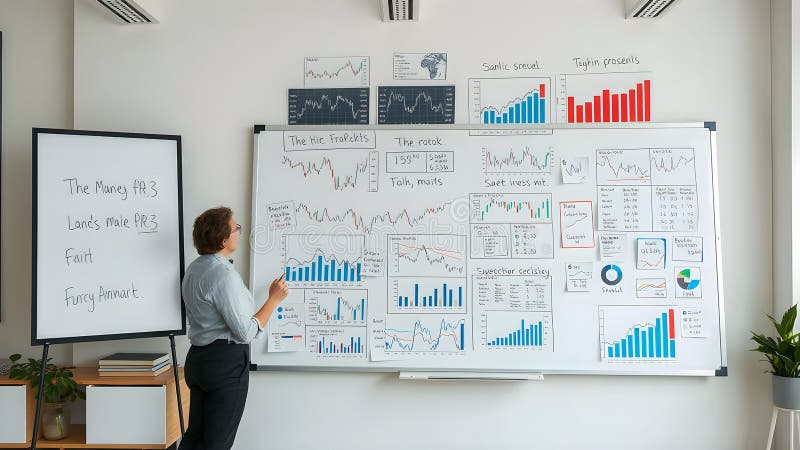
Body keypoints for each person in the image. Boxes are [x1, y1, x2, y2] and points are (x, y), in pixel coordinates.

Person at [179, 207, 288, 450]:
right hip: (224, 365)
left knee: (194, 439)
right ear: (223, 240)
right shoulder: (223, 276)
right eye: (235, 228)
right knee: (217, 444)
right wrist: (273, 299)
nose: (239, 231)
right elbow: (245, 332)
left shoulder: (194, 269)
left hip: (198, 361)